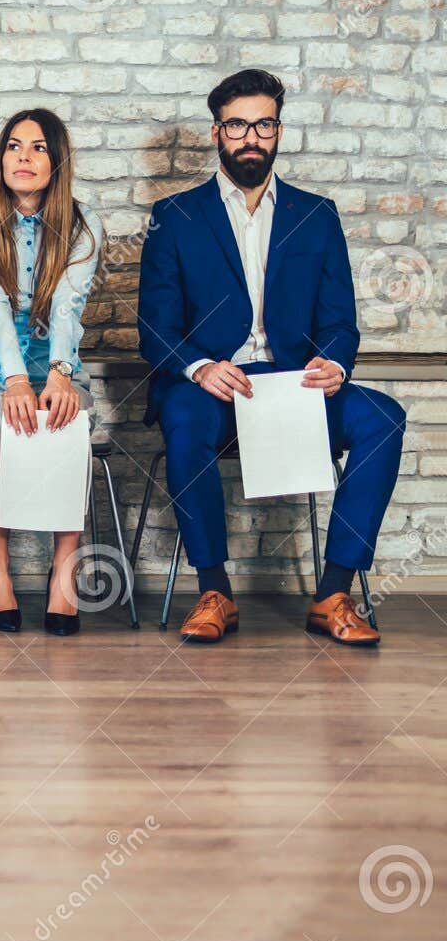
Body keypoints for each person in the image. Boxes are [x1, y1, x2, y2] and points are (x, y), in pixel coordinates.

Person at [138, 68, 404, 647]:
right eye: (237, 125)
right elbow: (154, 328)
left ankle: (334, 593)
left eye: (263, 124)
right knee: (183, 419)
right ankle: (214, 591)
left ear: (279, 130)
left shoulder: (317, 214)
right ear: (217, 134)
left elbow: (339, 321)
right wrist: (199, 367)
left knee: (382, 419)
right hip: (216, 387)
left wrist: (334, 361)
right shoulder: (175, 217)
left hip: (294, 388)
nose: (250, 137)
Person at [0, 109, 102, 637]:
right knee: (8, 422)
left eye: (38, 148)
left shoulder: (84, 224)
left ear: (56, 161)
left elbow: (68, 306)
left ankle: (65, 567)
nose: (24, 158)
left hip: (59, 374)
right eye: (14, 146)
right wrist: (16, 381)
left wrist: (58, 375)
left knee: (66, 418)